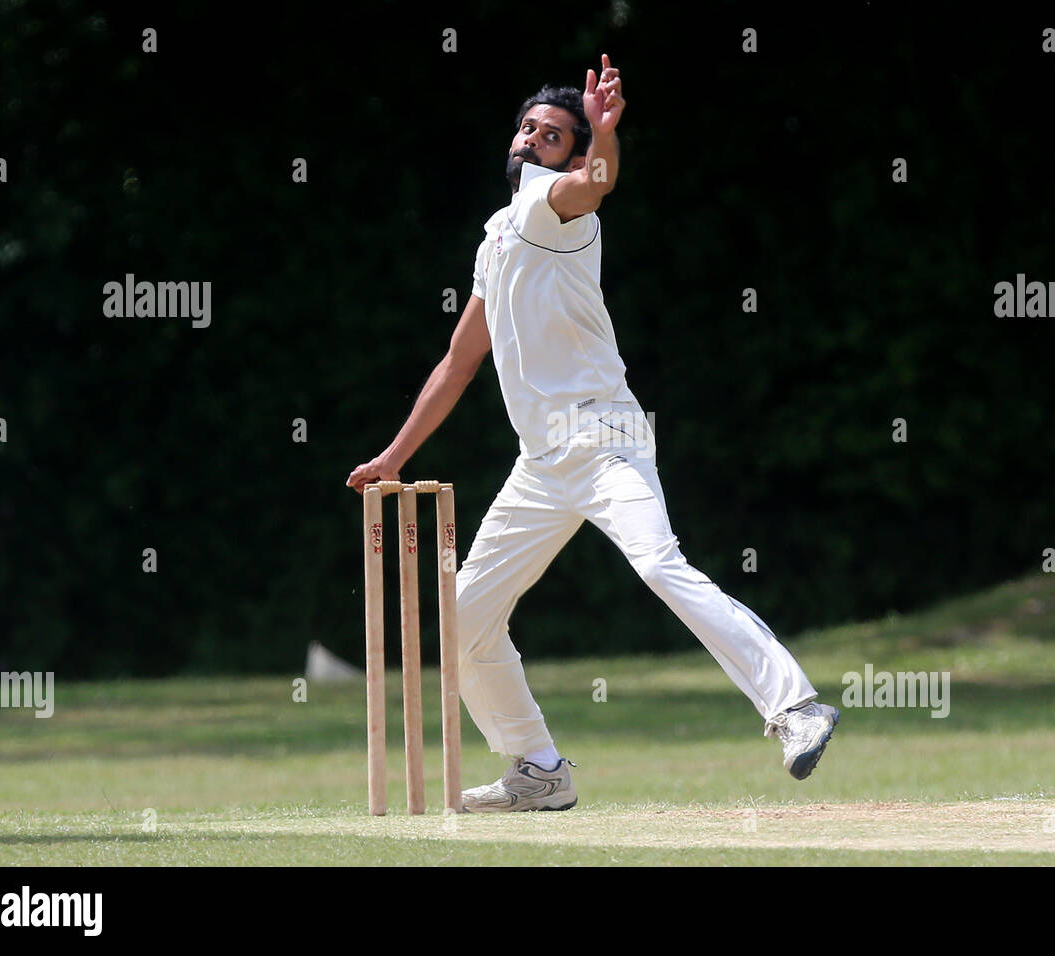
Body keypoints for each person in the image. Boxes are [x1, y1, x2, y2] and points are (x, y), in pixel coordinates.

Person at [346, 54, 838, 811]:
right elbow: (457, 360)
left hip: (605, 438)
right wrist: (392, 457)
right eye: (526, 129)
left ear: (568, 155)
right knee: (462, 621)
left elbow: (595, 184)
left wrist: (604, 137)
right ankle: (537, 770)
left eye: (550, 137)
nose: (529, 141)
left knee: (658, 566)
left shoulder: (556, 207)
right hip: (540, 463)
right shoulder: (499, 236)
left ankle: (794, 708)